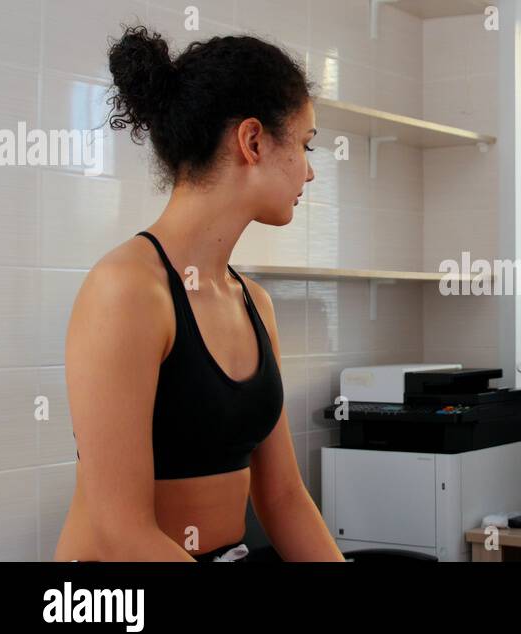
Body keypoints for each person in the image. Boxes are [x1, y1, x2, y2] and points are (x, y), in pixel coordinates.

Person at [54, 25, 345, 561]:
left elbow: (282, 497)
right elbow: (121, 531)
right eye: (305, 146)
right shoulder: (127, 291)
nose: (309, 172)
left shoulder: (254, 303)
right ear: (252, 141)